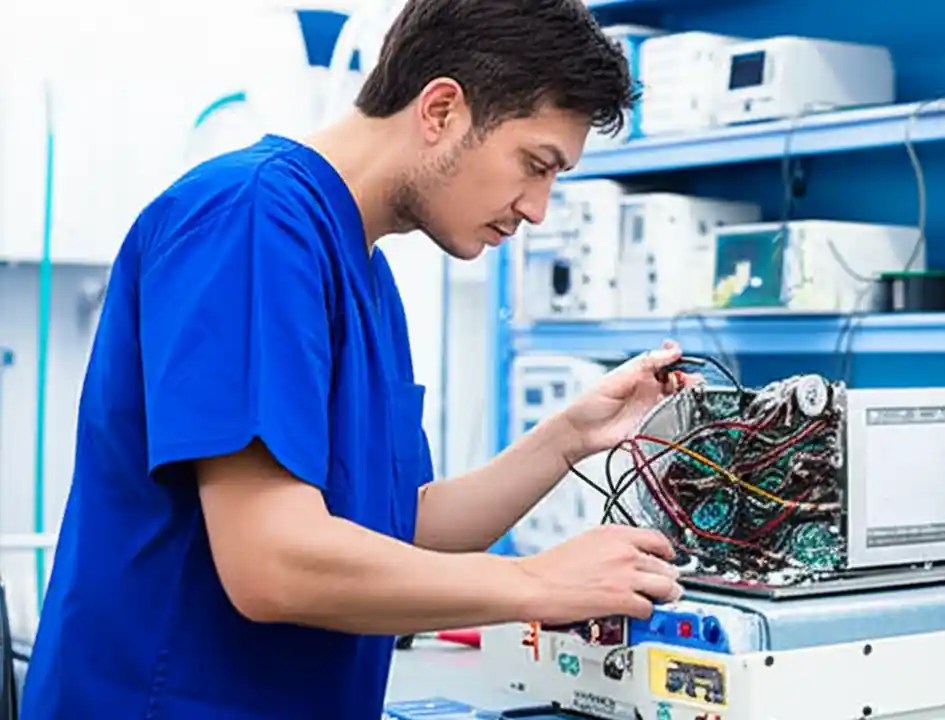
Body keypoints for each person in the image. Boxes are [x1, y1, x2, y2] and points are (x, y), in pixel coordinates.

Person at [20, 1, 688, 717]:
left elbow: (401, 525)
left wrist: (570, 438)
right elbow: (272, 564)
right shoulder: (251, 220)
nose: (538, 210)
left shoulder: (366, 272)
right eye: (536, 164)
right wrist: (538, 583)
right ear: (440, 109)